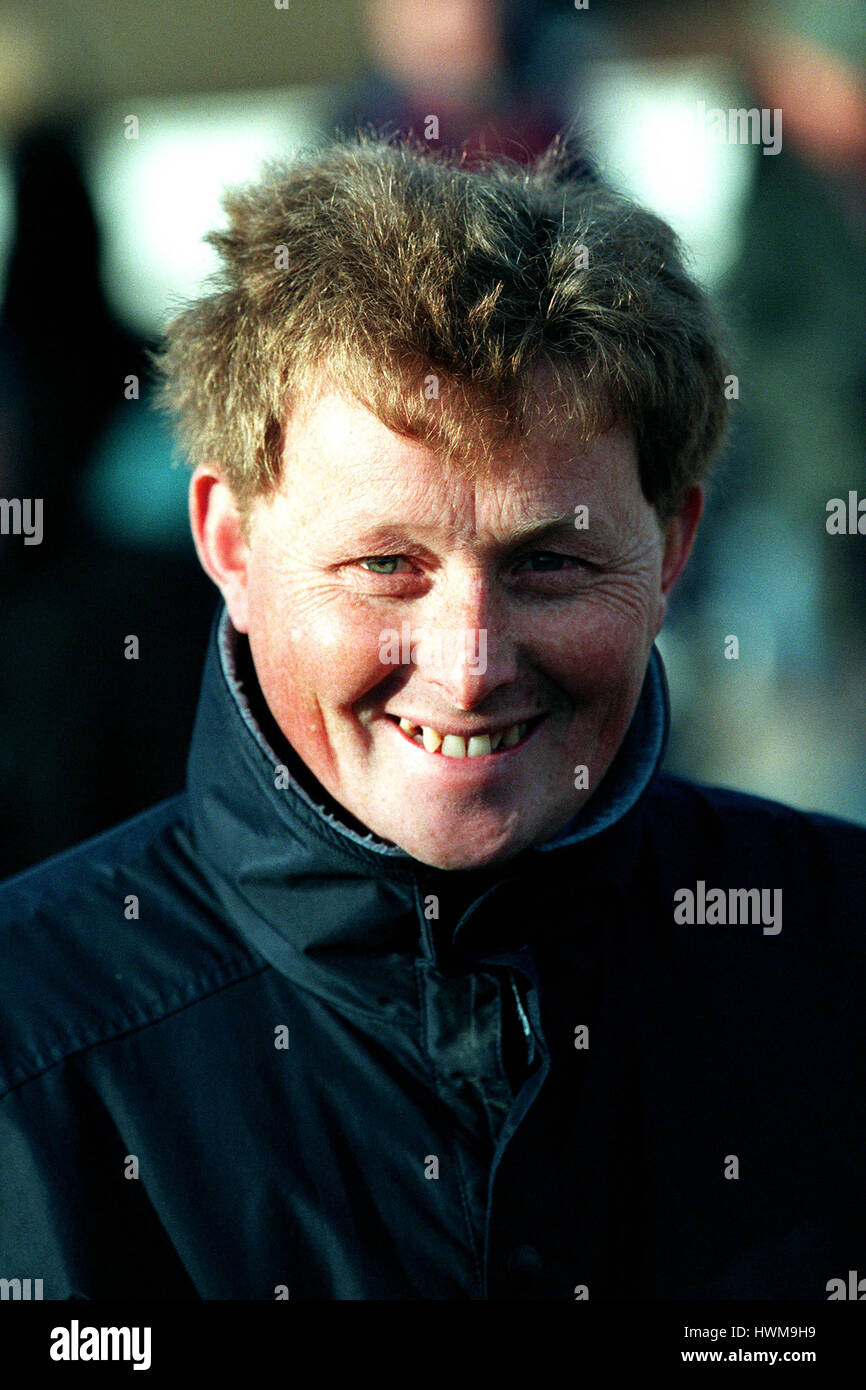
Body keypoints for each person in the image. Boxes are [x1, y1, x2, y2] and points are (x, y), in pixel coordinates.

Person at [0, 133, 863, 1302]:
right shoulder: (33, 1047)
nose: (467, 665)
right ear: (231, 544)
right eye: (384, 565)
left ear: (671, 547)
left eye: (549, 563)